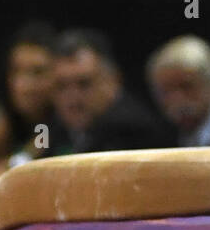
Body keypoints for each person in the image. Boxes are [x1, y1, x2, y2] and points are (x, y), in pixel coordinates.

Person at [44, 30, 167, 158]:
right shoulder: (54, 130)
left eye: (84, 84)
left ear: (113, 81)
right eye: (61, 86)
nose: (72, 98)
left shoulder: (135, 132)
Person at [0, 22, 57, 184]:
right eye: (16, 71)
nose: (24, 85)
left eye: (38, 72)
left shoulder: (55, 128)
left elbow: (15, 174)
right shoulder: (10, 123)